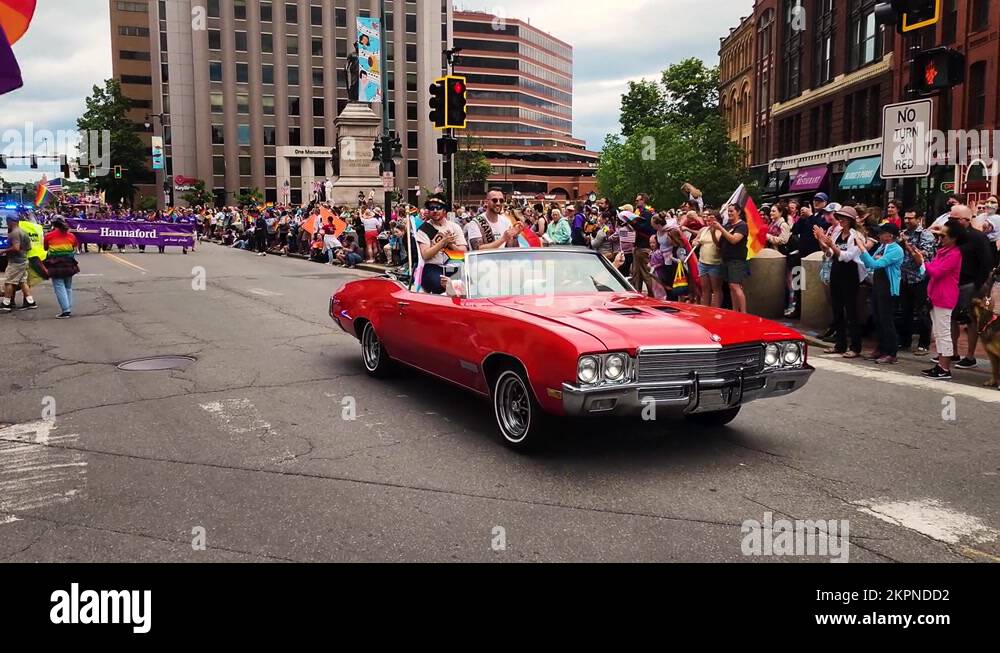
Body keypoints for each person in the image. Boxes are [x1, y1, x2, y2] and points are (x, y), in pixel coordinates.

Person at [912, 220, 965, 380]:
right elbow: (932, 269)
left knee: (943, 333)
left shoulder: (954, 254)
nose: (940, 239)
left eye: (943, 236)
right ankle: (941, 365)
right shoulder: (943, 251)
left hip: (945, 297)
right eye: (939, 235)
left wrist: (922, 261)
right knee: (938, 333)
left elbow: (937, 272)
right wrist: (923, 261)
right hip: (936, 295)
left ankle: (945, 367)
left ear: (954, 238)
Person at [945, 205, 994, 369]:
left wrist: (978, 285)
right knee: (951, 318)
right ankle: (952, 352)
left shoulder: (978, 238)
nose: (950, 221)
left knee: (971, 320)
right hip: (953, 283)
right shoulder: (952, 237)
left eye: (953, 219)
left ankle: (970, 356)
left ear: (965, 220)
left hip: (970, 283)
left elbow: (986, 263)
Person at [815, 207, 866, 358]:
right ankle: (840, 344)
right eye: (839, 217)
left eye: (843, 217)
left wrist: (831, 245)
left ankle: (855, 347)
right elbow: (830, 253)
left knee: (851, 311)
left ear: (851, 220)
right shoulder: (837, 233)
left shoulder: (857, 236)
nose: (840, 220)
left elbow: (848, 256)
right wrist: (821, 240)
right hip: (836, 272)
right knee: (837, 310)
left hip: (850, 274)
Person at [856, 223, 905, 364]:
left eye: (882, 233)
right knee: (877, 318)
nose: (879, 235)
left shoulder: (896, 250)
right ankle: (881, 348)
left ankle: (891, 352)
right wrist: (870, 257)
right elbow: (870, 262)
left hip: (888, 288)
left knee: (886, 320)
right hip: (878, 285)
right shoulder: (883, 247)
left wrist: (862, 248)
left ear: (890, 236)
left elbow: (875, 264)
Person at [897, 210, 936, 355]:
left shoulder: (926, 235)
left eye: (910, 218)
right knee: (905, 311)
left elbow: (924, 256)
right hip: (905, 277)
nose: (907, 221)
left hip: (920, 278)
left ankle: (924, 344)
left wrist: (906, 245)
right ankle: (904, 341)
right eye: (905, 218)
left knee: (922, 311)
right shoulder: (903, 233)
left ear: (919, 219)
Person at [415, 194, 467, 294]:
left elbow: (463, 253)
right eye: (432, 208)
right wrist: (443, 242)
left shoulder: (455, 227)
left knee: (468, 285)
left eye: (438, 207)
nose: (435, 210)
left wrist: (450, 245)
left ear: (444, 210)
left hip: (454, 266)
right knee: (439, 286)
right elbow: (425, 255)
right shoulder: (424, 229)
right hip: (433, 267)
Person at [709, 204, 749, 313]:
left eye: (732, 211)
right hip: (726, 259)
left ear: (738, 212)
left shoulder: (742, 226)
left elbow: (734, 240)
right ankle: (735, 311)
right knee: (731, 286)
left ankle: (743, 312)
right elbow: (719, 244)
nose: (729, 213)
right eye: (729, 211)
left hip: (736, 260)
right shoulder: (728, 225)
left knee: (735, 285)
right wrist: (713, 232)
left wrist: (720, 228)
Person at [43, 216, 79, 318]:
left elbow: (45, 248)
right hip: (69, 263)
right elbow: (75, 247)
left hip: (55, 264)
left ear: (53, 224)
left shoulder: (48, 236)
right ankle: (68, 308)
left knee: (59, 286)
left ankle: (66, 310)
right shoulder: (71, 235)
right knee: (68, 287)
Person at [1, 214, 37, 312]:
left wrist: (4, 251)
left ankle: (6, 303)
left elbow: (16, 248)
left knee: (9, 282)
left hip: (15, 262)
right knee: (22, 282)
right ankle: (30, 301)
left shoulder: (14, 233)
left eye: (7, 221)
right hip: (23, 260)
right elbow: (29, 247)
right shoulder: (23, 232)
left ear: (10, 221)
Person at [629, 193, 657, 297]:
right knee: (636, 274)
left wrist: (633, 222)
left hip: (645, 247)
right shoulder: (639, 213)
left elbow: (644, 228)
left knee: (646, 273)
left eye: (638, 200)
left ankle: (653, 295)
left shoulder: (648, 213)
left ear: (643, 200)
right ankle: (637, 295)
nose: (636, 202)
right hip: (638, 247)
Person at [694, 211, 723, 308]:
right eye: (708, 220)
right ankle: (706, 309)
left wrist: (714, 232)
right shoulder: (703, 230)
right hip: (703, 263)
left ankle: (717, 309)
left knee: (716, 289)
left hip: (715, 263)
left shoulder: (721, 231)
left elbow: (719, 244)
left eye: (712, 220)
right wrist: (695, 242)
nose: (709, 222)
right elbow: (696, 239)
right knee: (705, 289)